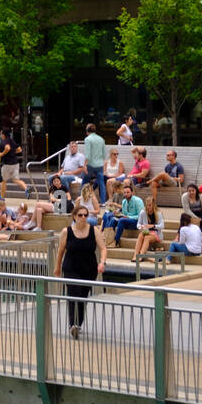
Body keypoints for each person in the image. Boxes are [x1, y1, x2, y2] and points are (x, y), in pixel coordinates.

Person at [55, 206, 107, 340]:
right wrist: (57, 268)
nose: (83, 217)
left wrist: (102, 262)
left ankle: (78, 323)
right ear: (74, 216)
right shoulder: (66, 231)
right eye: (80, 215)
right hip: (71, 267)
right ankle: (72, 324)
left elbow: (103, 248)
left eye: (85, 215)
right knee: (74, 293)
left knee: (83, 297)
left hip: (88, 269)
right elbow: (60, 251)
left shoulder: (93, 230)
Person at [102, 183, 145, 248]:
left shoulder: (138, 201)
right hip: (126, 220)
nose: (126, 194)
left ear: (132, 193)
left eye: (128, 192)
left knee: (121, 220)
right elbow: (124, 214)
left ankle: (116, 241)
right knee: (112, 218)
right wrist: (118, 214)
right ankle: (108, 239)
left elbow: (141, 216)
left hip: (136, 222)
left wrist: (129, 217)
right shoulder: (124, 201)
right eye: (124, 193)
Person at [0, 128, 31, 197]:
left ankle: (2, 197)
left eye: (1, 133)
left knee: (3, 181)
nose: (0, 135)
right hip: (15, 163)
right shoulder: (12, 141)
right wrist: (12, 153)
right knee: (16, 180)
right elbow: (19, 149)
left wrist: (2, 154)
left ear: (3, 134)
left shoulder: (4, 141)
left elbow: (7, 148)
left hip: (7, 164)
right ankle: (26, 188)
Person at [81, 123, 108, 203]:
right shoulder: (101, 139)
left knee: (84, 182)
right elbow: (104, 154)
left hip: (90, 165)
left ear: (87, 131)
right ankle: (103, 202)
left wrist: (85, 165)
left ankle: (81, 199)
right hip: (99, 165)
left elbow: (88, 155)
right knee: (101, 183)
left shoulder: (88, 139)